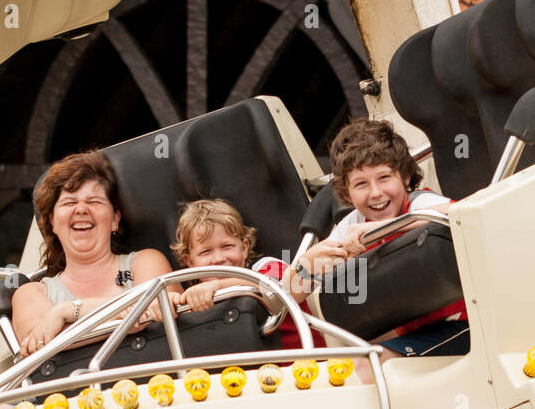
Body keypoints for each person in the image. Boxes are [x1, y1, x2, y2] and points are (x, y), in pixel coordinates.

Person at [294, 118, 468, 358]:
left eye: (384, 178)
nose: (376, 193)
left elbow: (464, 212)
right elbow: (287, 295)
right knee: (351, 361)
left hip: (464, 325)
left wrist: (383, 228)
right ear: (347, 192)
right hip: (411, 332)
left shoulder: (420, 203)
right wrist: (307, 267)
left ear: (405, 177)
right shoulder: (352, 224)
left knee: (369, 364)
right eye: (361, 184)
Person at [12, 150, 177, 357]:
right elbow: (41, 345)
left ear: (115, 220)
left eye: (94, 201)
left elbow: (164, 308)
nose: (81, 209)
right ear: (52, 222)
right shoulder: (30, 293)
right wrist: (125, 314)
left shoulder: (145, 261)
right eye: (69, 202)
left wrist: (66, 312)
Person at [170, 198, 323, 350]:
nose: (218, 259)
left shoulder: (267, 267)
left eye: (227, 246)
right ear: (189, 261)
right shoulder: (196, 301)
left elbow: (277, 286)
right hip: (243, 370)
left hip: (304, 362)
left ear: (244, 248)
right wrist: (170, 304)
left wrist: (217, 287)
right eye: (206, 251)